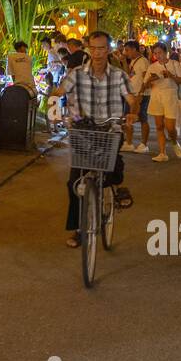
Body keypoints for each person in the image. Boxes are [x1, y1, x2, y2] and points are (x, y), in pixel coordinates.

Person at [61, 30, 130, 248]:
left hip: (110, 129)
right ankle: (77, 229)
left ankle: (117, 187)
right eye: (93, 48)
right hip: (83, 130)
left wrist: (132, 112)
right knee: (74, 182)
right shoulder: (77, 74)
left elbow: (131, 98)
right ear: (88, 49)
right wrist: (56, 107)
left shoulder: (119, 75)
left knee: (111, 167)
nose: (97, 53)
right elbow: (60, 92)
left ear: (108, 50)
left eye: (102, 48)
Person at [143, 43, 181, 162]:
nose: (158, 56)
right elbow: (145, 85)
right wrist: (151, 79)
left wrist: (171, 76)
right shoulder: (152, 67)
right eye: (155, 53)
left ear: (166, 52)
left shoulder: (174, 64)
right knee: (159, 125)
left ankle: (174, 141)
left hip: (170, 95)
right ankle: (162, 153)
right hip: (156, 95)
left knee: (170, 127)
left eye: (160, 53)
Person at [121, 40, 150, 153]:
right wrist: (123, 62)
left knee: (143, 118)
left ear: (134, 49)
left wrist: (141, 93)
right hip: (132, 94)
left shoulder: (143, 61)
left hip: (141, 94)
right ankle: (129, 143)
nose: (125, 52)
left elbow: (146, 78)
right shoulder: (133, 61)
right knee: (128, 117)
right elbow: (129, 74)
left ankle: (144, 144)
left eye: (127, 50)